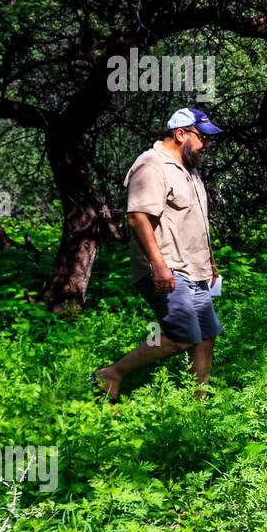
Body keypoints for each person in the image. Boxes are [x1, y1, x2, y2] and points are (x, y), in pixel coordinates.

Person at [93, 108, 223, 403]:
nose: (206, 145)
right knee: (183, 335)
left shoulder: (189, 171)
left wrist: (210, 262)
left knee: (206, 334)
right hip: (168, 268)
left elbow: (194, 222)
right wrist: (158, 265)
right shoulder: (152, 164)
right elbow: (137, 217)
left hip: (195, 270)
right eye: (202, 138)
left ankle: (199, 403)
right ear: (181, 134)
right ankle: (111, 374)